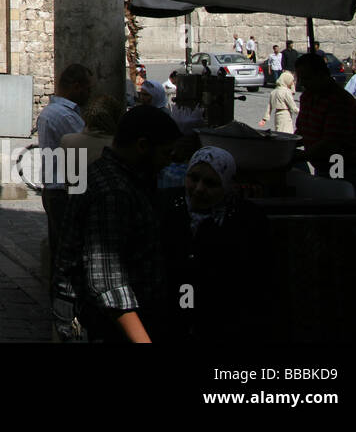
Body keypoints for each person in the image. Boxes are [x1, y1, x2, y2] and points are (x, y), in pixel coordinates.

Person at [51, 105, 182, 343]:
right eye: (165, 154)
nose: (168, 163)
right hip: (103, 324)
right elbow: (108, 282)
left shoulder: (115, 177)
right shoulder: (113, 192)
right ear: (142, 146)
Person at [159, 146, 270, 343]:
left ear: (227, 186)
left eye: (211, 183)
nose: (199, 189)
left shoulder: (246, 220)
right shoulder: (166, 208)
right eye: (193, 178)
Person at [295, 52, 356, 196]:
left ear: (321, 74)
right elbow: (301, 130)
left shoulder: (339, 101)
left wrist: (299, 156)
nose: (301, 82)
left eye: (306, 77)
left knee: (341, 202)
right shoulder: (307, 98)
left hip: (345, 167)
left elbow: (332, 144)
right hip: (324, 166)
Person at [37, 64, 93, 255]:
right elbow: (87, 146)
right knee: (67, 250)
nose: (89, 94)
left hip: (55, 188)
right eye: (88, 89)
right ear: (76, 86)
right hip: (62, 190)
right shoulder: (64, 115)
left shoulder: (54, 112)